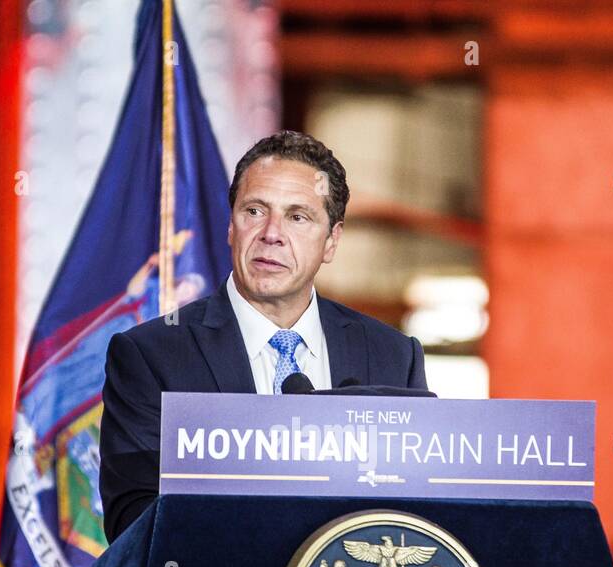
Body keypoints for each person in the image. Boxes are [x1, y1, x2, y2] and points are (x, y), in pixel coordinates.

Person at [98, 130, 429, 542]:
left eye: (298, 217)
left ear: (332, 241)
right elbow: (132, 522)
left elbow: (415, 514)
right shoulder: (151, 356)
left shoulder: (394, 356)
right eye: (254, 211)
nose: (271, 233)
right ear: (230, 227)